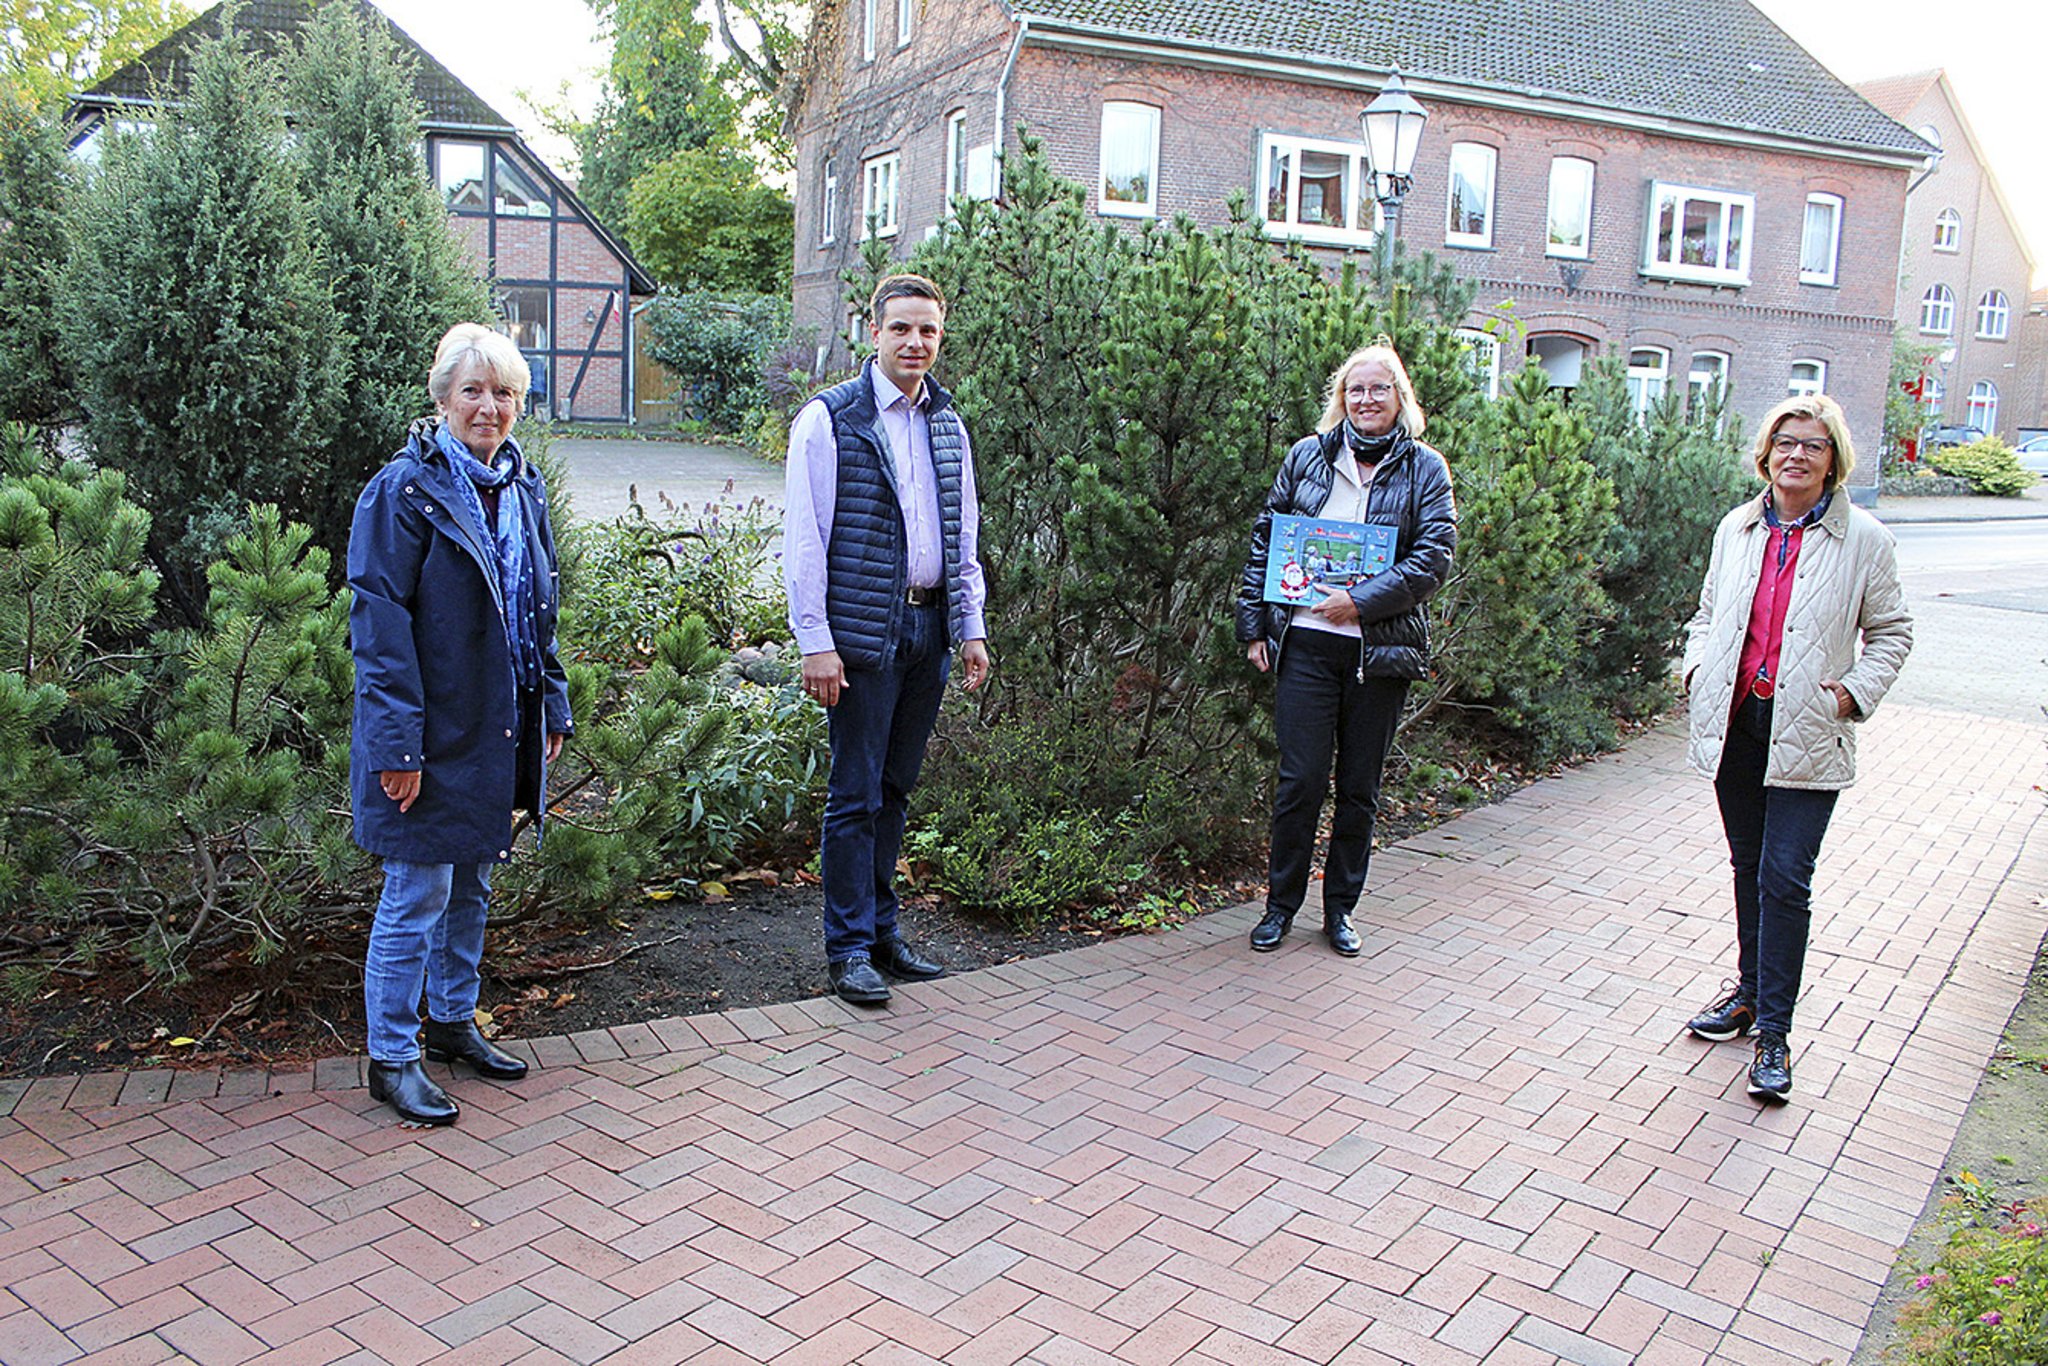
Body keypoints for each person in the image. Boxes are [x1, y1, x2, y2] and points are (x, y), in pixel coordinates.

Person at [348, 323, 573, 1125]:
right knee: (418, 889)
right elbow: (379, 629)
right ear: (443, 399)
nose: (490, 407)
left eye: (505, 392)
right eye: (473, 391)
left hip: (498, 722)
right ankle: (393, 1056)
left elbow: (537, 611)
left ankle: (450, 1021)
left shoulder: (521, 486)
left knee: (473, 878)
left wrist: (551, 700)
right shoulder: (403, 491)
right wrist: (396, 744)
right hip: (429, 731)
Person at [1680, 393, 1911, 1103]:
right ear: (1766, 452)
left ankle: (1775, 1034)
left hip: (1808, 730)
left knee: (1786, 877)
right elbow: (1708, 615)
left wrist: (1848, 695)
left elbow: (1894, 632)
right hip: (1739, 726)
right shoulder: (1737, 529)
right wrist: (1695, 670)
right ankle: (1748, 995)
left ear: (1833, 457)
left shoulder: (1863, 539)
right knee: (1749, 866)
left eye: (1812, 444)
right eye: (1785, 442)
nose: (1796, 455)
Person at [784, 274, 992, 1006]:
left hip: (929, 627)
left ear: (941, 336)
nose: (915, 342)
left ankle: (882, 932)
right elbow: (805, 539)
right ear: (872, 332)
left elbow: (962, 535)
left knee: (896, 788)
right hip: (862, 633)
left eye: (928, 331)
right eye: (901, 328)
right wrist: (816, 641)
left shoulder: (947, 423)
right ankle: (847, 950)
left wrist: (969, 627)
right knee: (854, 793)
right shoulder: (830, 419)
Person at [1235, 344, 1457, 957]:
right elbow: (1266, 540)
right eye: (1355, 390)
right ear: (1341, 398)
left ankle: (1340, 911)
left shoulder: (1425, 469)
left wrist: (1360, 603)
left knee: (1359, 787)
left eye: (1378, 389)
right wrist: (1254, 624)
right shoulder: (1308, 458)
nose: (1366, 400)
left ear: (1399, 398)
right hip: (1305, 644)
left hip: (1377, 653)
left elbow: (1433, 557)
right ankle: (1280, 907)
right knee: (1299, 782)